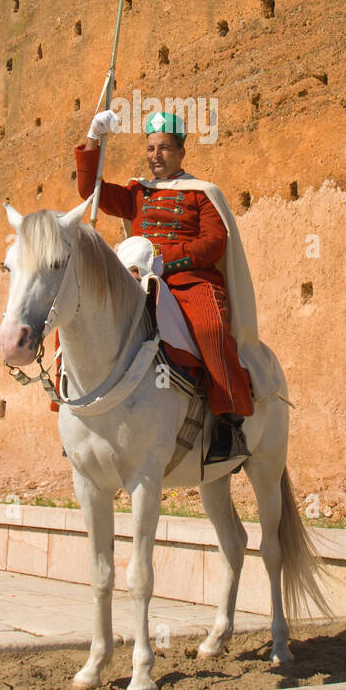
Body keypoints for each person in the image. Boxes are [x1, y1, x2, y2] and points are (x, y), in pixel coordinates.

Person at [74, 107, 253, 463]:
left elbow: (214, 243)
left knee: (210, 329)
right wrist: (94, 137)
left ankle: (228, 421)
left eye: (165, 148)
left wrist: (165, 259)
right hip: (140, 282)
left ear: (181, 152)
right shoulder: (136, 193)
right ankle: (74, 409)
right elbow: (88, 189)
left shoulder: (201, 193)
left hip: (190, 281)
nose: (156, 156)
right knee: (81, 313)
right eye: (151, 148)